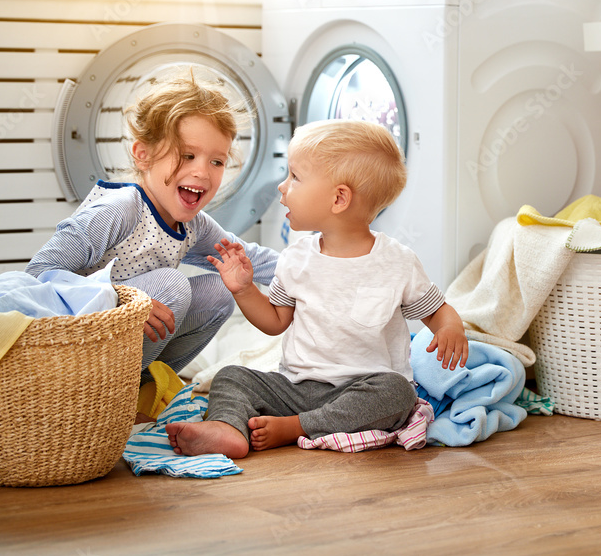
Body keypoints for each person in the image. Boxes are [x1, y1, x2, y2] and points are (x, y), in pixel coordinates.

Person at [166, 119, 468, 459]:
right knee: (231, 377)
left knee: (398, 393)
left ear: (339, 198)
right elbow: (276, 322)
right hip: (296, 388)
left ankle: (297, 427)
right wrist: (244, 290)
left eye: (295, 177)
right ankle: (227, 428)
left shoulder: (398, 262)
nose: (283, 187)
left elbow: (437, 312)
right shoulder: (296, 259)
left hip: (363, 390)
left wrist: (450, 327)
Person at [26, 69, 278, 384]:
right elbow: (37, 275)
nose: (202, 171)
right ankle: (108, 391)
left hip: (121, 347)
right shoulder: (120, 210)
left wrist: (317, 265)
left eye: (217, 161)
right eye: (187, 155)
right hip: (73, 347)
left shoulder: (193, 225)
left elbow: (247, 258)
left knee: (221, 291)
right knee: (172, 285)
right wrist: (120, 297)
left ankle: (142, 388)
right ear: (143, 156)